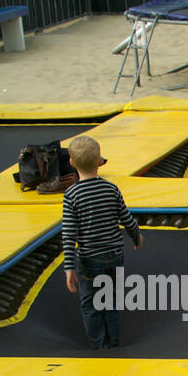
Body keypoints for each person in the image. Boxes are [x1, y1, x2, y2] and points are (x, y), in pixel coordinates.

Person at [61, 136, 143, 349]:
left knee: (90, 304)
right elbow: (126, 218)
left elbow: (69, 234)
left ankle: (99, 346)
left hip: (90, 259)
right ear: (100, 161)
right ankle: (114, 343)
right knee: (111, 302)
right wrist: (136, 237)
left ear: (71, 163)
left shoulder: (71, 195)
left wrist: (69, 267)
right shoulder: (111, 189)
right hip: (114, 255)